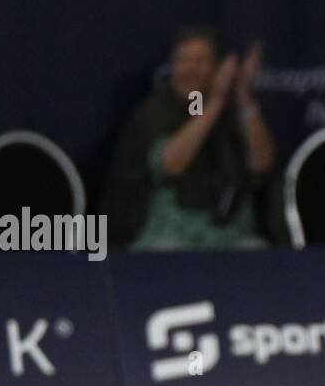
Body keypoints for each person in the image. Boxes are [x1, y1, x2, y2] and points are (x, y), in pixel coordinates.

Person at [103, 25, 276, 249]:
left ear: (218, 67)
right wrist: (216, 100)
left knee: (254, 250)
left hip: (230, 231)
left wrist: (243, 94)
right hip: (168, 232)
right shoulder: (156, 110)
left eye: (200, 61)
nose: (190, 69)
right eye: (182, 60)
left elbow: (261, 165)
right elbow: (169, 166)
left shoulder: (236, 111)